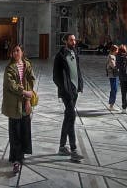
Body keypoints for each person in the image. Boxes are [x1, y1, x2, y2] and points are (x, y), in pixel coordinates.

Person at [2, 44, 36, 175]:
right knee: (15, 131)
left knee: (25, 128)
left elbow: (31, 80)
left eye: (18, 50)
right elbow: (10, 85)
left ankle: (21, 154)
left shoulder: (27, 65)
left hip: (25, 102)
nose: (16, 53)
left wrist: (28, 98)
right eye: (13, 51)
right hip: (14, 103)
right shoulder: (9, 68)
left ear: (22, 52)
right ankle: (15, 159)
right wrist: (24, 92)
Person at [52, 34, 84, 162]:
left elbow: (77, 70)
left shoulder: (74, 54)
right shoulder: (60, 56)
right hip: (67, 92)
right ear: (65, 41)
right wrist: (65, 89)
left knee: (68, 117)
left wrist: (79, 85)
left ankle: (61, 147)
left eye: (75, 39)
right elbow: (55, 76)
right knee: (72, 116)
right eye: (71, 40)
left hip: (75, 90)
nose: (74, 41)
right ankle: (74, 149)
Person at [105, 44, 119, 112]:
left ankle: (111, 104)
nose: (117, 51)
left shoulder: (112, 56)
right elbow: (114, 66)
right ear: (114, 50)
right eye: (117, 50)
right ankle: (111, 105)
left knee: (114, 89)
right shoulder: (111, 56)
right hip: (113, 75)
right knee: (114, 89)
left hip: (113, 75)